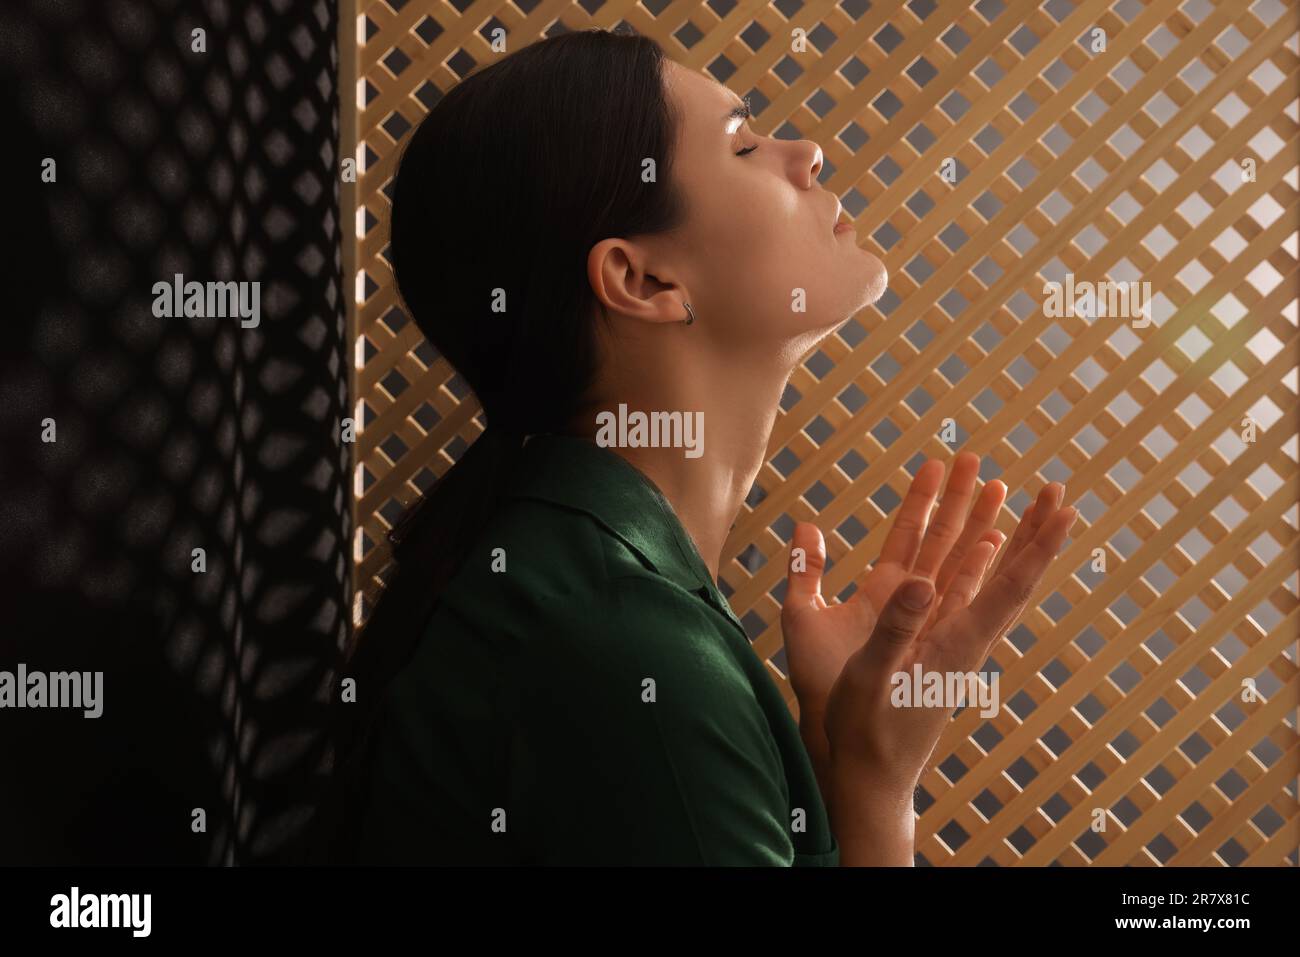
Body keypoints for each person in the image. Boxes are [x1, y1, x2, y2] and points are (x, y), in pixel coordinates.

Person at [304, 27, 1076, 866]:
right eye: (744, 144)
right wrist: (878, 790)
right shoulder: (628, 653)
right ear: (644, 282)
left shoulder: (585, 593)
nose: (807, 151)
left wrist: (852, 767)